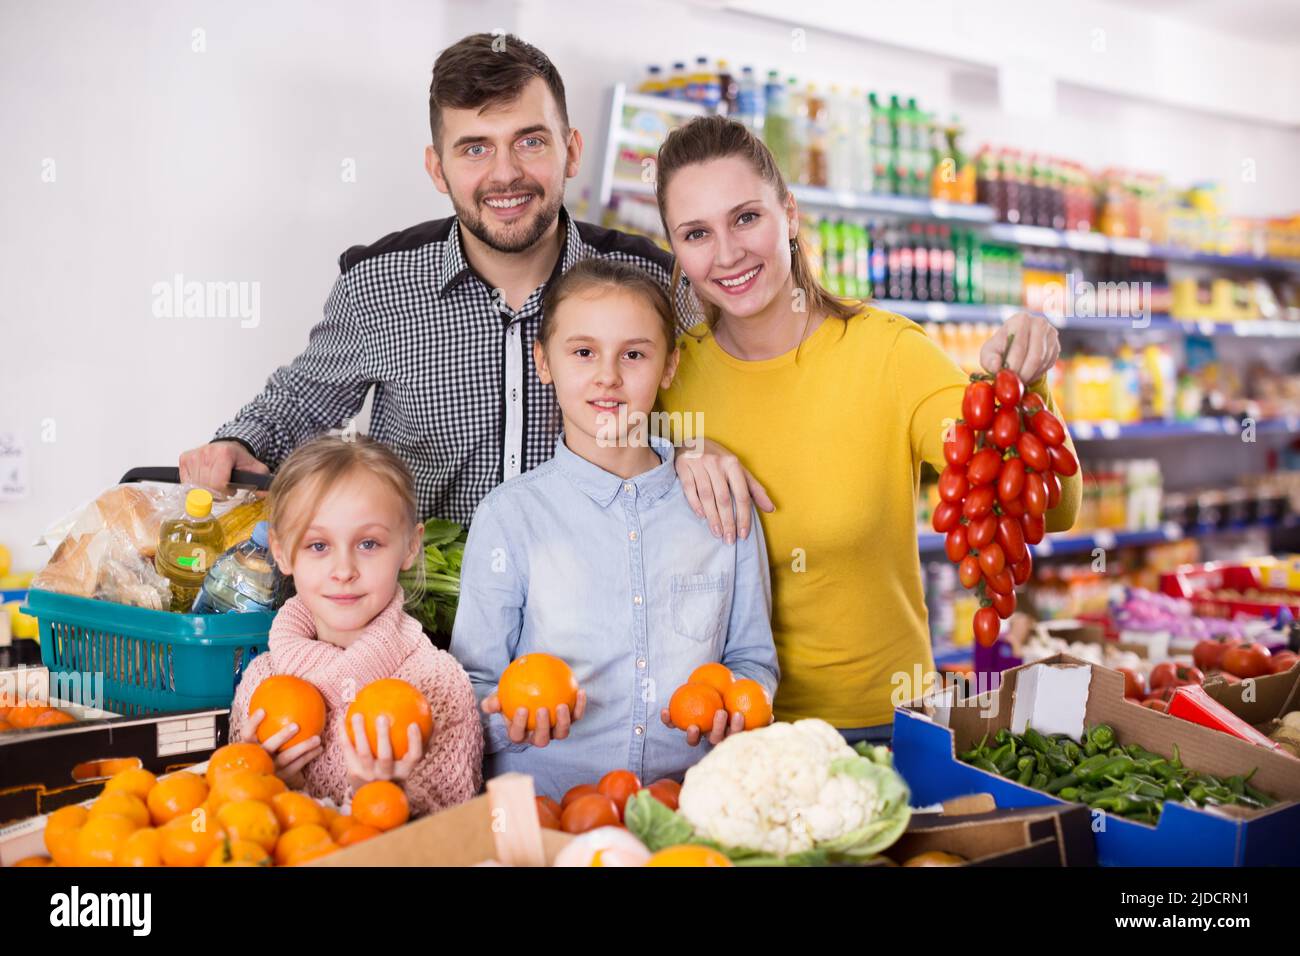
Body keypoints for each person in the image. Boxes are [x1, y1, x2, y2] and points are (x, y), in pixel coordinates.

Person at [177, 33, 756, 564]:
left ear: (571, 151)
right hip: (421, 619)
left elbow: (707, 395)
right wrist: (240, 442)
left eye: (530, 142)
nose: (506, 174)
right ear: (437, 168)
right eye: (475, 149)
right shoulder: (378, 283)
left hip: (597, 613)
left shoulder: (652, 280)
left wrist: (699, 444)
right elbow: (303, 403)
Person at [654, 115, 1082, 746]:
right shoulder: (665, 373)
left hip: (884, 733)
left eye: (746, 218)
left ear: (790, 213)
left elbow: (1055, 509)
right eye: (696, 233)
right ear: (674, 246)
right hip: (719, 735)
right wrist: (674, 450)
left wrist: (1027, 379)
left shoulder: (887, 354)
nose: (726, 253)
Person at [449, 259, 778, 801]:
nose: (608, 375)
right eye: (583, 352)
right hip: (547, 815)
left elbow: (751, 660)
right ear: (543, 362)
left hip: (690, 810)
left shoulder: (720, 504)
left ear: (669, 367)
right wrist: (513, 720)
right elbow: (469, 688)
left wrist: (740, 706)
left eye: (634, 354)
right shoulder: (510, 518)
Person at [229, 436, 482, 816]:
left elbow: (453, 838)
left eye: (368, 543)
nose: (344, 571)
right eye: (318, 545)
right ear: (281, 552)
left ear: (411, 546)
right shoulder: (259, 682)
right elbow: (243, 830)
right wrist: (269, 786)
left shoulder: (438, 685)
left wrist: (381, 795)